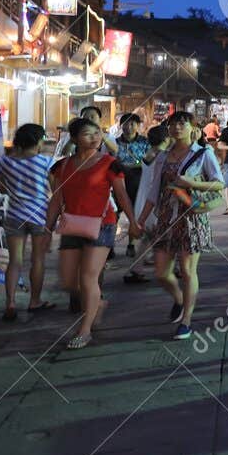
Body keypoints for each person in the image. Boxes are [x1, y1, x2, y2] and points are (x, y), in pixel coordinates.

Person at [47, 116, 138, 349]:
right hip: (72, 225)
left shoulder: (109, 163)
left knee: (88, 277)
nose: (95, 138)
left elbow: (122, 195)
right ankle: (97, 303)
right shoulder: (62, 166)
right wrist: (48, 227)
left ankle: (84, 330)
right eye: (88, 134)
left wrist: (133, 221)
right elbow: (56, 199)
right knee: (68, 281)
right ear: (75, 138)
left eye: (97, 133)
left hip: (102, 224)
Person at [136, 110, 223, 342]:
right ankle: (179, 299)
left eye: (182, 124)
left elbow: (218, 183)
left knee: (187, 271)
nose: (176, 128)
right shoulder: (163, 156)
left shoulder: (203, 153)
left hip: (190, 218)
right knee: (162, 273)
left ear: (193, 128)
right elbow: (154, 190)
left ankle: (186, 320)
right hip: (165, 217)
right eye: (173, 124)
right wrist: (142, 219)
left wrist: (191, 182)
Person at [0, 123, 53, 320]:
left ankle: (10, 303)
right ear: (37, 141)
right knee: (38, 259)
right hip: (39, 215)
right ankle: (34, 301)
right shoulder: (46, 162)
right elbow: (52, 190)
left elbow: (2, 190)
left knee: (15, 261)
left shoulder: (3, 162)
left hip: (15, 215)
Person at [124, 123, 171, 283]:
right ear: (166, 138)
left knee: (149, 238)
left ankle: (136, 270)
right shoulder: (164, 156)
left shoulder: (148, 153)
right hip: (155, 203)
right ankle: (169, 270)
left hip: (143, 201)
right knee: (166, 237)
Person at [114, 114, 151, 254]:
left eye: (132, 124)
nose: (128, 127)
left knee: (135, 215)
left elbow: (148, 161)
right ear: (120, 125)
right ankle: (109, 246)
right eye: (125, 124)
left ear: (138, 125)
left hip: (138, 182)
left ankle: (131, 244)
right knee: (114, 214)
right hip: (118, 183)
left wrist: (133, 165)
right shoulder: (115, 142)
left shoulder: (145, 142)